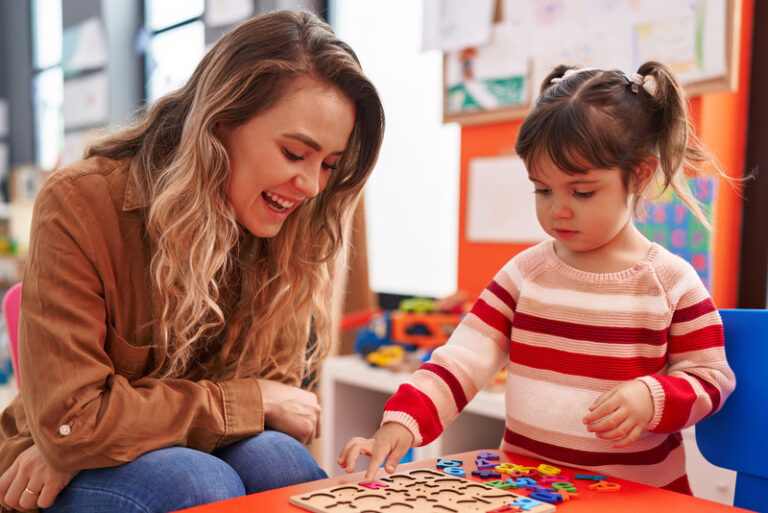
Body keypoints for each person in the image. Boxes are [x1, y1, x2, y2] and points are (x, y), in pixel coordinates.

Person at [0, 9, 384, 513]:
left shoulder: (286, 230)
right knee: (196, 482)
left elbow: (282, 410)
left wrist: (110, 433)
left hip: (163, 446)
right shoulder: (82, 201)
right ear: (220, 123)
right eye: (294, 153)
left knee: (282, 463)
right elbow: (75, 423)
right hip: (64, 469)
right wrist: (249, 402)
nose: (312, 187)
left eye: (329, 165)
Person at [338, 61, 735, 494]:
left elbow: (711, 379)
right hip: (530, 492)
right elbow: (462, 359)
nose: (557, 209)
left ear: (639, 175)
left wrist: (653, 397)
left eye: (582, 192)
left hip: (637, 497)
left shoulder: (671, 282)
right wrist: (402, 422)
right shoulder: (525, 275)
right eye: (542, 189)